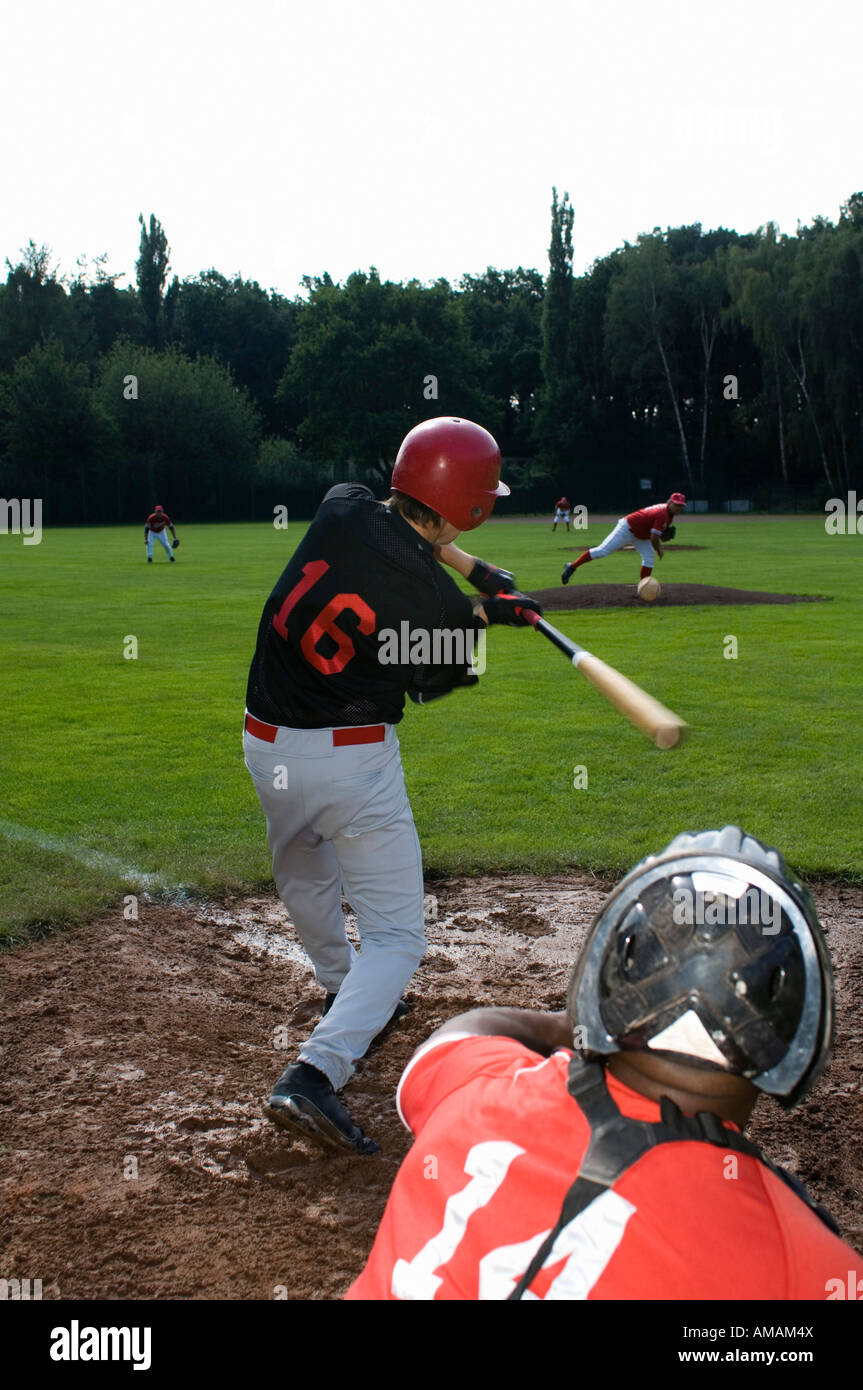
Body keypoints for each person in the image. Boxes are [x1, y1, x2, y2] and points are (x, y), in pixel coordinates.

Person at [346, 826, 860, 1300]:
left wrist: (572, 1023)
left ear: (603, 982)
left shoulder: (479, 1094)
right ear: (798, 1029)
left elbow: (464, 1032)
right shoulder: (803, 1264)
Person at [243, 416, 543, 1155]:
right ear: (468, 505)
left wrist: (472, 577)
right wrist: (483, 616)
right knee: (399, 937)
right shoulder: (434, 611)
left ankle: (340, 984)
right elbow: (440, 667)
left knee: (304, 871)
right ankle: (316, 1071)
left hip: (265, 744)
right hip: (351, 764)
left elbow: (406, 541)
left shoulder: (343, 504)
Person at [561, 492, 685, 584]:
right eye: (676, 505)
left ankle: (643, 587)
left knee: (648, 557)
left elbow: (656, 533)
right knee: (602, 551)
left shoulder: (669, 514)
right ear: (669, 502)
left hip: (640, 535)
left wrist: (661, 535)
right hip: (627, 528)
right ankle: (571, 567)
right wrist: (659, 550)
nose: (678, 508)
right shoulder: (663, 514)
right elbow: (654, 538)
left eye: (681, 506)